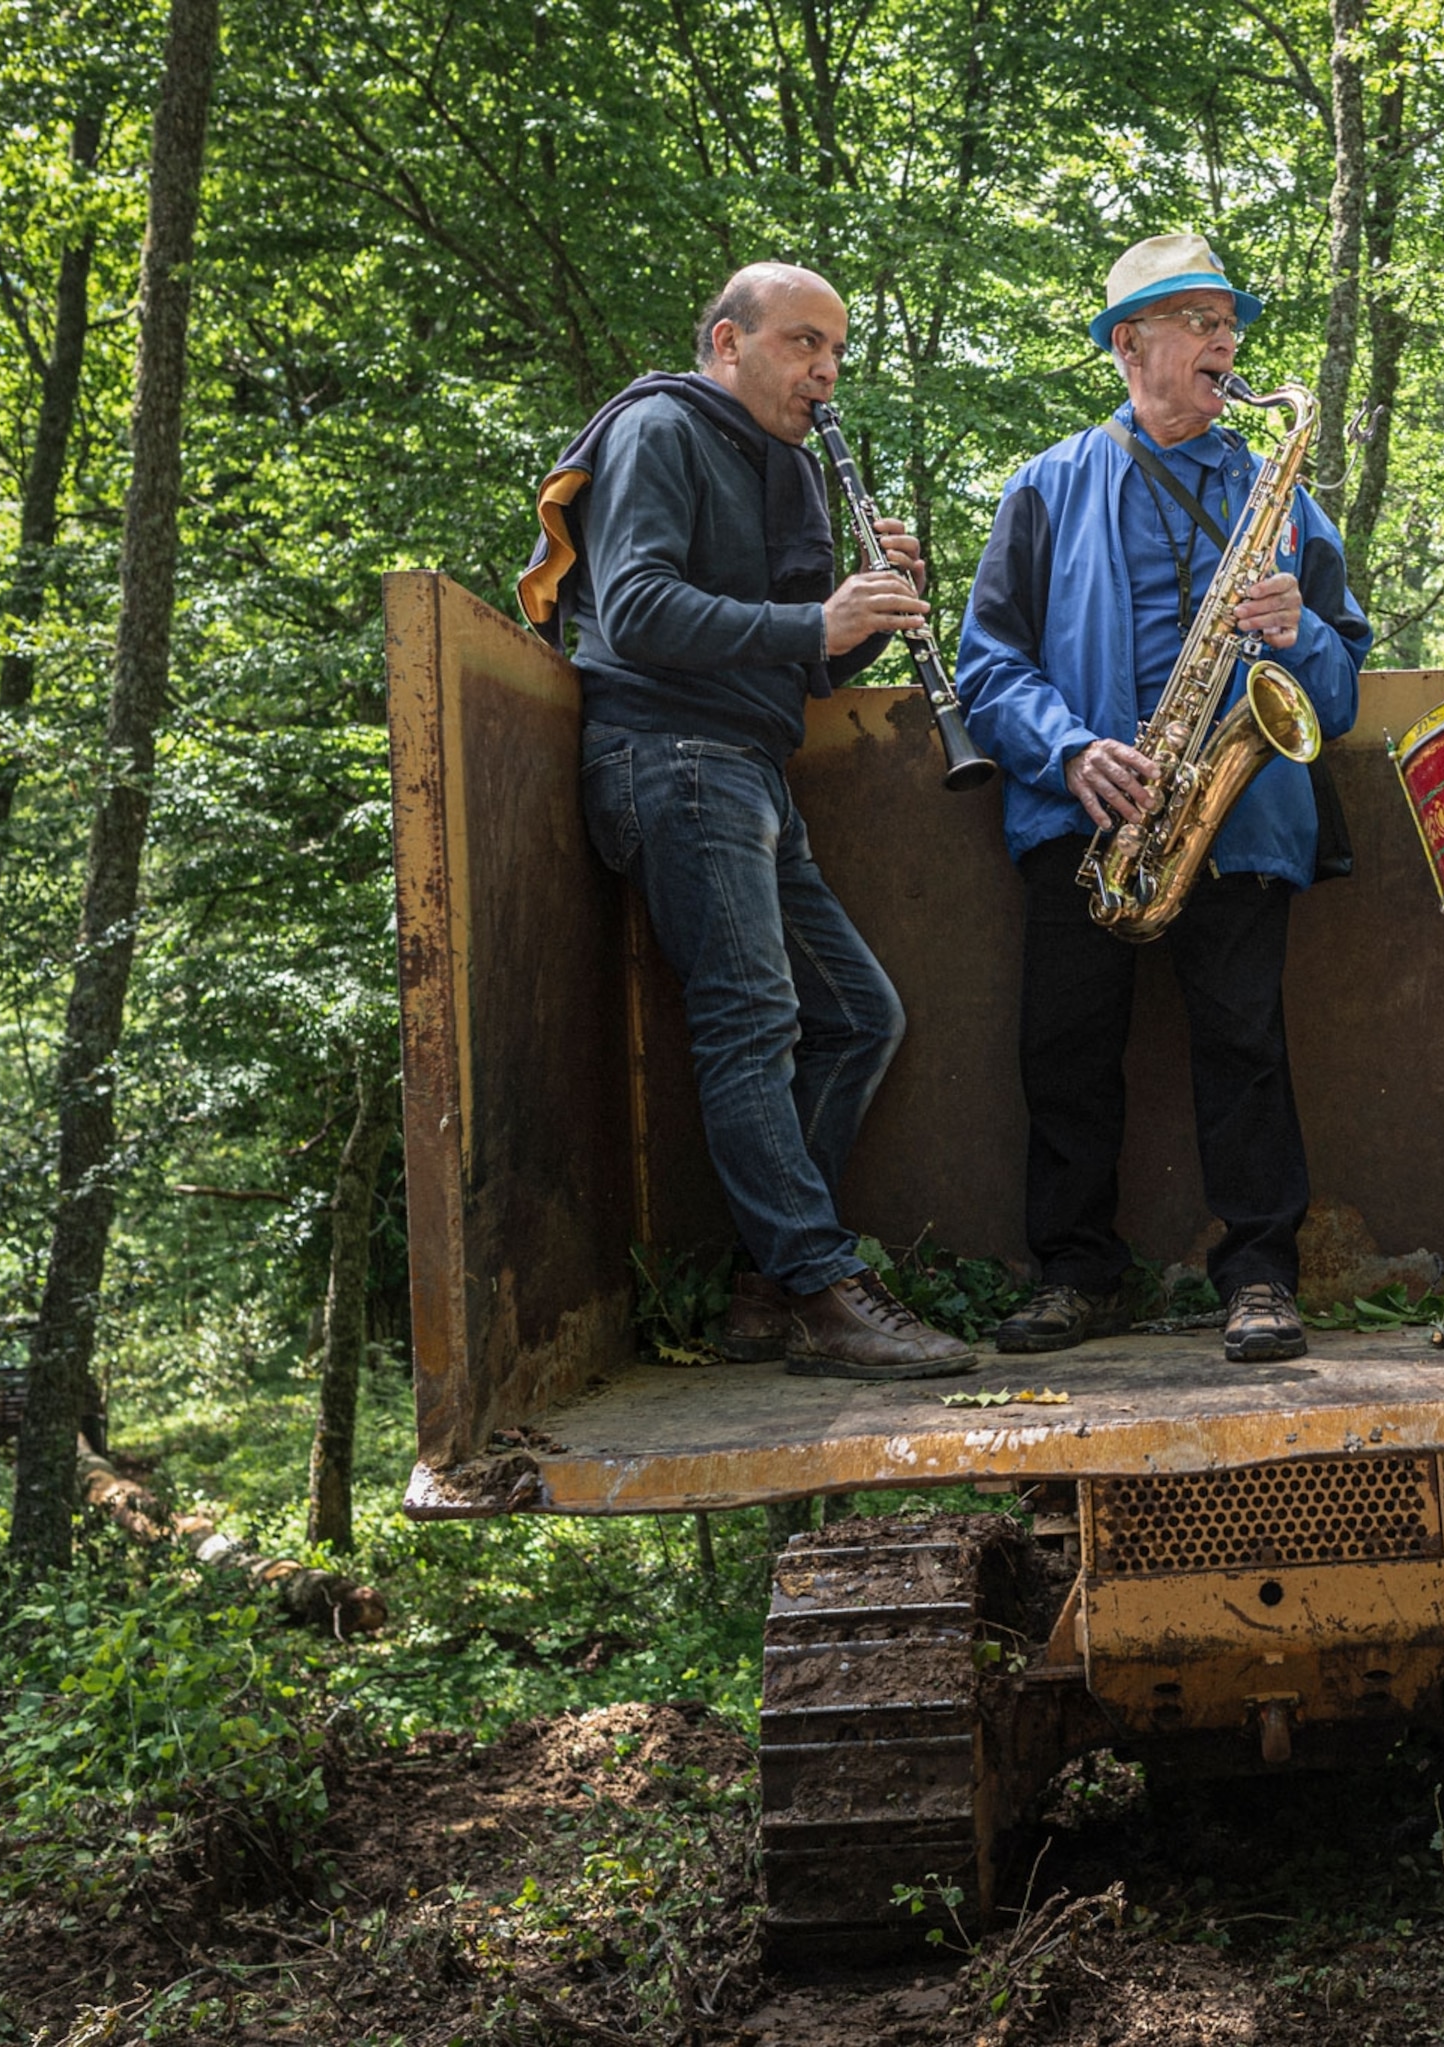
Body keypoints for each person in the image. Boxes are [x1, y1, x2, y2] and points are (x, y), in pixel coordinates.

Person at [528, 263, 975, 1378]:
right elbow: (633, 608)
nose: (825, 372)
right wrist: (812, 619)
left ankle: (767, 1285)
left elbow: (808, 667)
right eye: (801, 344)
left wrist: (864, 617)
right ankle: (826, 1292)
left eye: (834, 351)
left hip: (747, 766)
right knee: (752, 1022)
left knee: (858, 1015)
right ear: (727, 344)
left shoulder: (785, 466)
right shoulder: (662, 431)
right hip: (669, 757)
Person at [955, 234, 1371, 1364]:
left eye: (1228, 320)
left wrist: (1304, 629)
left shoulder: (1281, 497)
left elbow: (1340, 688)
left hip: (1239, 812)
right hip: (1087, 813)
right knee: (1066, 1048)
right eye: (1194, 319)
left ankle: (1260, 1278)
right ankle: (1076, 1272)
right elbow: (986, 665)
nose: (1223, 340)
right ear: (1127, 345)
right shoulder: (1042, 487)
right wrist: (1068, 751)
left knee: (1246, 1046)